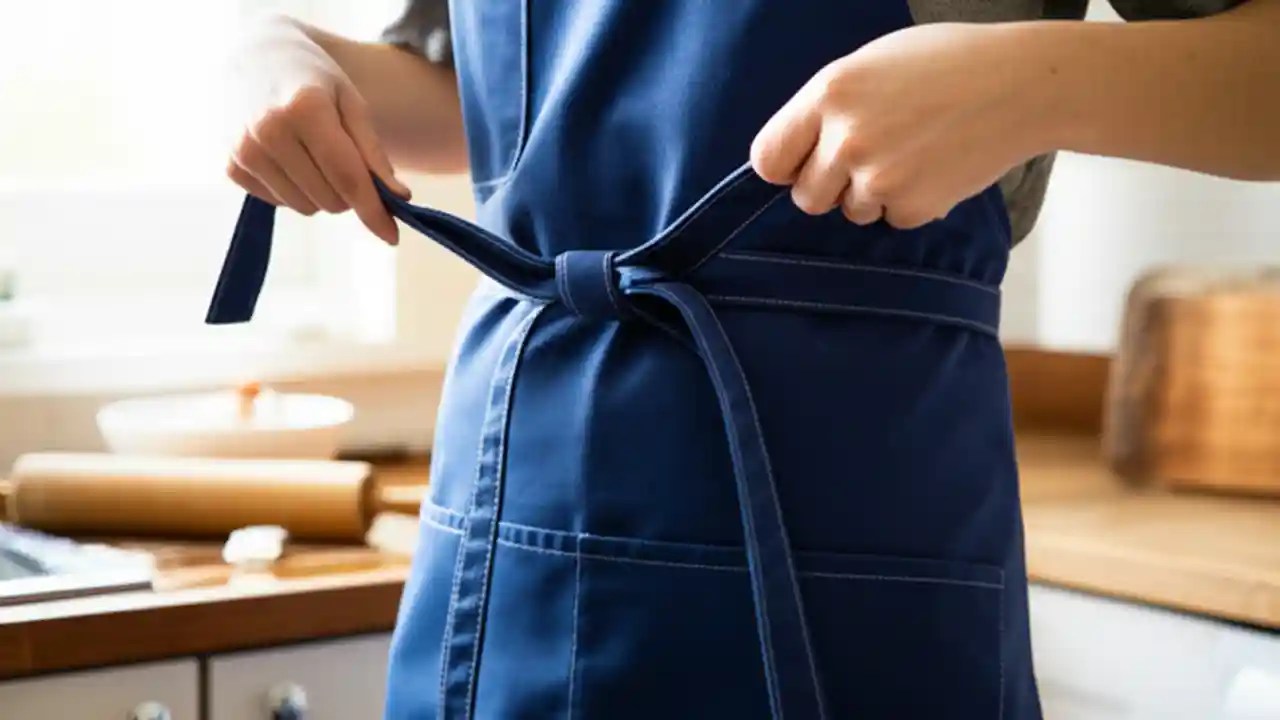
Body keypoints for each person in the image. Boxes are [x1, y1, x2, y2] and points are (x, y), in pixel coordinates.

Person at [214, 2, 1280, 718]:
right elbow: (473, 95)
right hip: (503, 515)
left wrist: (1030, 83)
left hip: (849, 519)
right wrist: (283, 55)